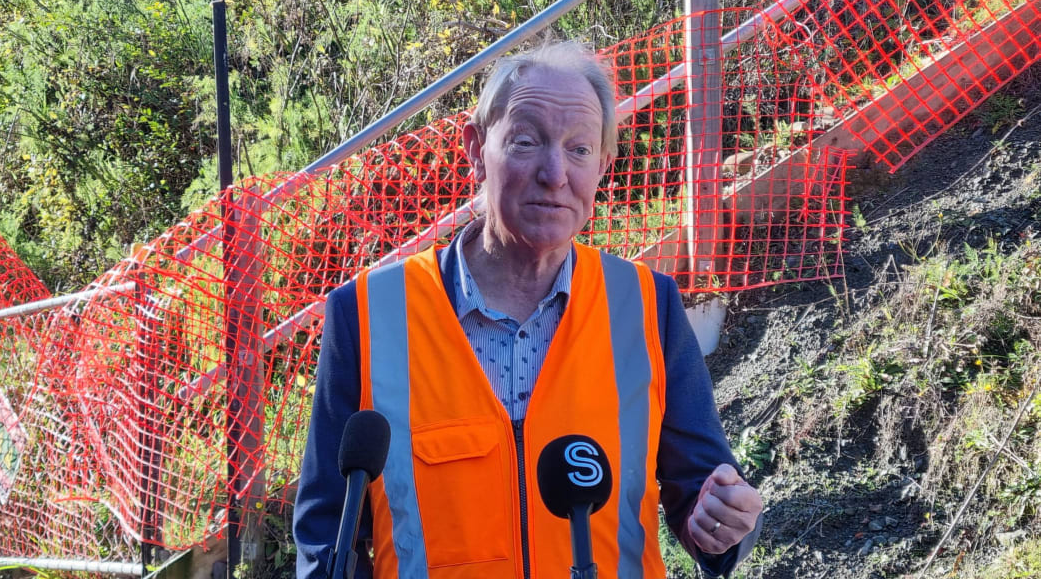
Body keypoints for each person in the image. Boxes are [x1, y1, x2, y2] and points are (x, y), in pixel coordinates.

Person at [294, 40, 763, 579]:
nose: (555, 173)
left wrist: (726, 524)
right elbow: (326, 534)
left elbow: (706, 501)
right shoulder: (366, 317)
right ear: (475, 148)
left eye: (580, 150)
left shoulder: (649, 309)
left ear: (605, 166)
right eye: (525, 141)